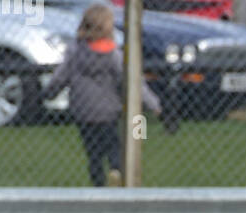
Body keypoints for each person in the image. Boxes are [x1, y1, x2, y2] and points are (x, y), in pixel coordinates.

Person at [42, 3, 164, 188]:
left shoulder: (75, 52)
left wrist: (47, 94)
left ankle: (98, 185)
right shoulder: (114, 55)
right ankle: (116, 172)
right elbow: (133, 83)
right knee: (114, 147)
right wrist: (154, 105)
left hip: (83, 111)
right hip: (109, 112)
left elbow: (60, 77)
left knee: (93, 153)